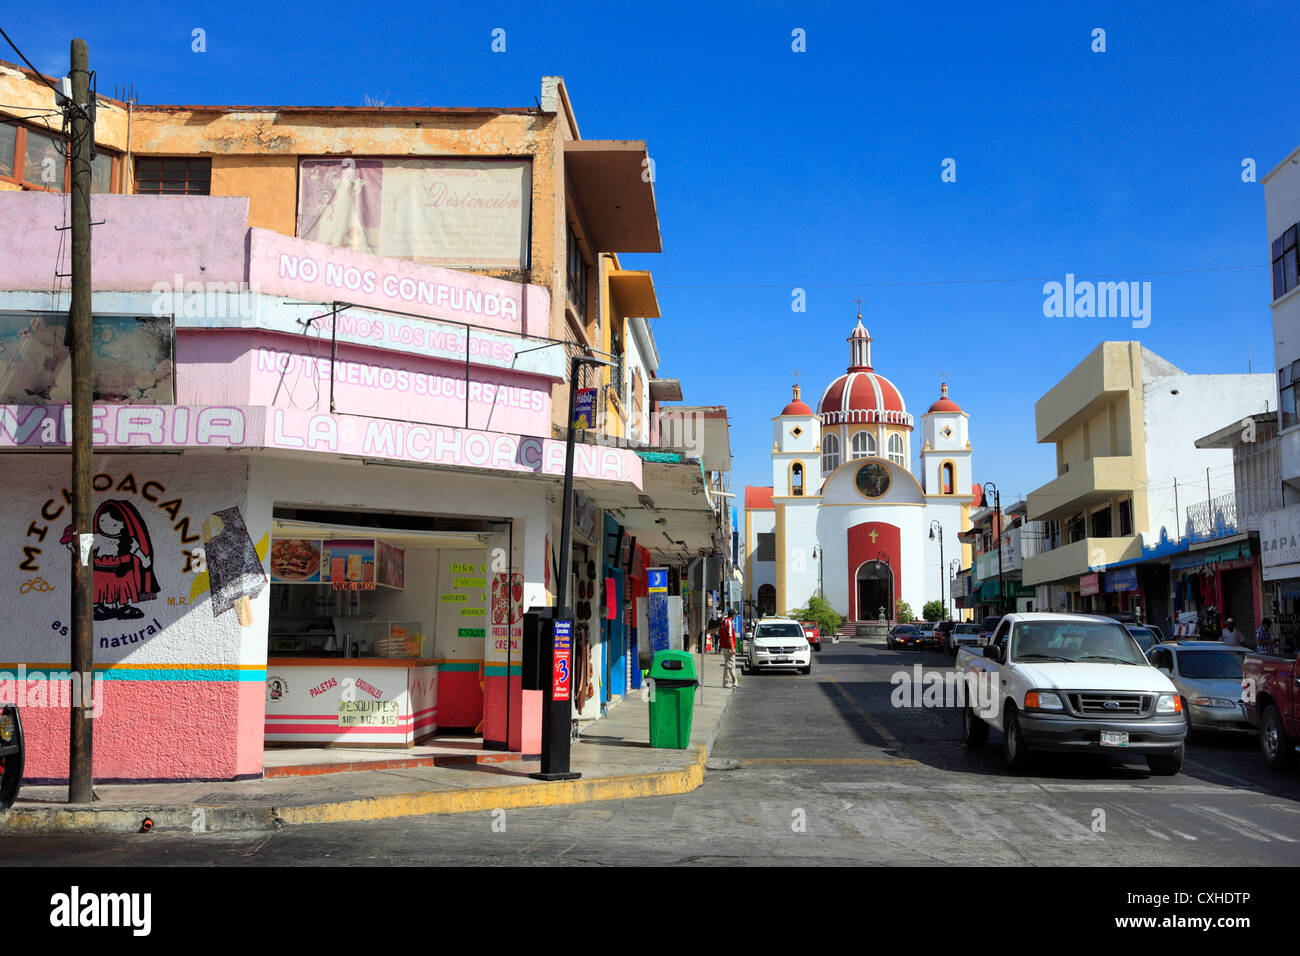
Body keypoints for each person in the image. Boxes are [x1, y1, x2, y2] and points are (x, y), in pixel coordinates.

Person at [720, 607, 739, 689]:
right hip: (729, 647)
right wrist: (733, 648)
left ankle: (726, 683)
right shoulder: (729, 623)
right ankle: (735, 682)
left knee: (727, 665)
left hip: (724, 646)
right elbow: (730, 636)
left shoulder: (723, 621)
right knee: (731, 665)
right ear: (733, 615)